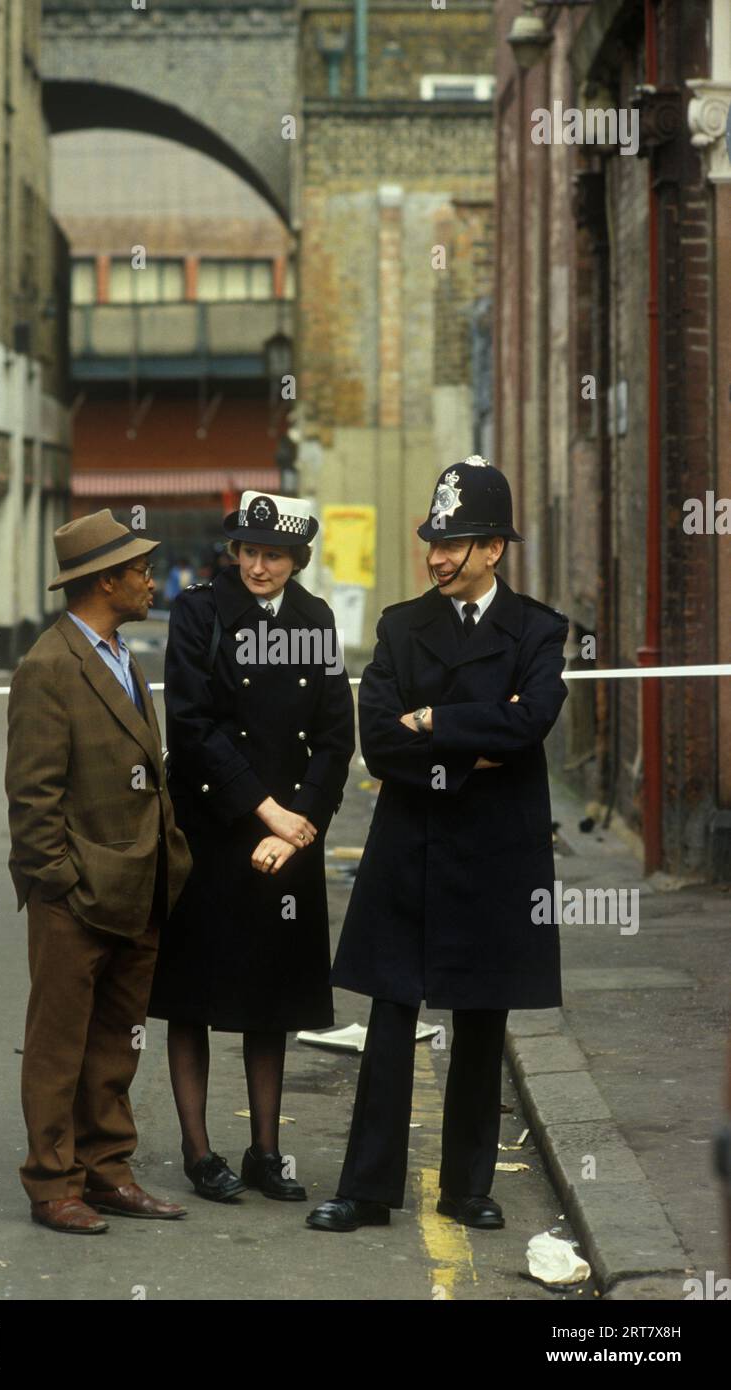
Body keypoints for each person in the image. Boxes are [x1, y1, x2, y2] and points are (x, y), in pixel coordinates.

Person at [307, 456, 569, 1233]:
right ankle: (367, 1189)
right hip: (412, 847)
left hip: (496, 854)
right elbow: (381, 744)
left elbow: (528, 728)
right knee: (391, 1016)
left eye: (456, 543)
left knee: (483, 1020)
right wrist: (469, 744)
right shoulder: (399, 626)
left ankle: (466, 1188)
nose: (437, 556)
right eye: (433, 539)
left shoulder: (540, 630)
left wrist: (437, 722)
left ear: (495, 549)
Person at [147, 491, 355, 1203]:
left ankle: (267, 1150)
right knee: (194, 994)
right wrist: (266, 811)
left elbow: (334, 737)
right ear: (233, 551)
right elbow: (194, 726)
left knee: (274, 995)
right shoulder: (198, 613)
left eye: (274, 555)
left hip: (287, 839)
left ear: (297, 560)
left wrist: (302, 823)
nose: (259, 566)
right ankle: (199, 1151)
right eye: (248, 551)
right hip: (211, 830)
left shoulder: (315, 620)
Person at [5, 509, 193, 1234]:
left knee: (116, 1042)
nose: (152, 579)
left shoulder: (122, 653)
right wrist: (63, 884)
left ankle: (107, 1170)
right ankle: (53, 1185)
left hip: (138, 887)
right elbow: (32, 798)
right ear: (104, 580)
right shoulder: (48, 667)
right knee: (59, 1047)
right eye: (140, 570)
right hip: (78, 898)